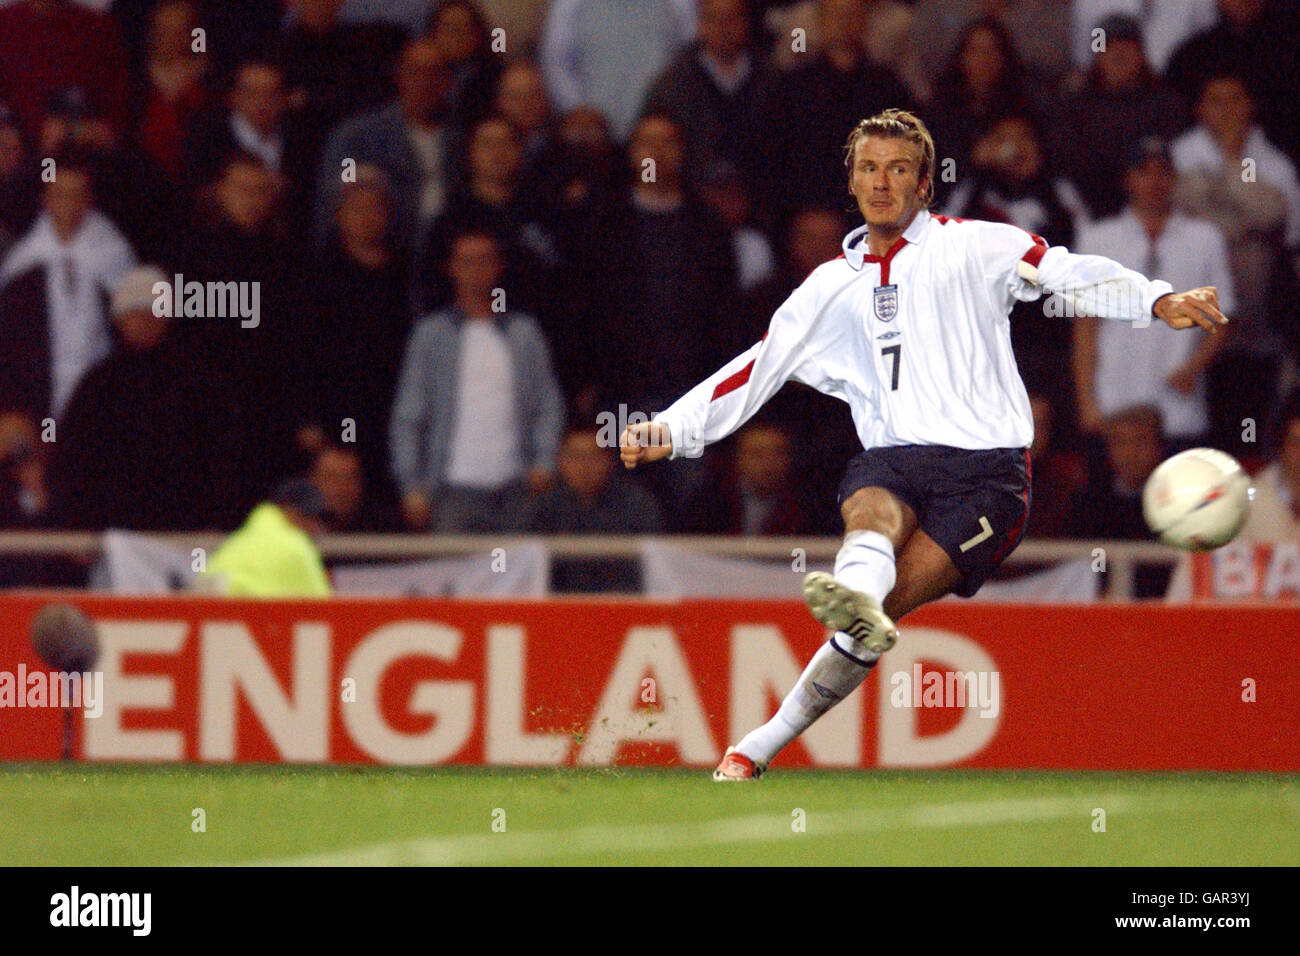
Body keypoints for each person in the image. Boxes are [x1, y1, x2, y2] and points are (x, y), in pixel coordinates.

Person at [618, 108, 1227, 780]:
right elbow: (758, 368)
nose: (882, 182)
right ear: (851, 181)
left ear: (925, 185)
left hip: (989, 479)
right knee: (869, 516)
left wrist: (1155, 299)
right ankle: (763, 736)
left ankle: (801, 687)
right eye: (869, 168)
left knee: (880, 607)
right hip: (895, 461)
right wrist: (673, 429)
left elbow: (1064, 272)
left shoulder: (976, 246)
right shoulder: (830, 287)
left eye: (898, 169)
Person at [204, 477, 333, 597]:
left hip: (205, 612)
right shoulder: (297, 547)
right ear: (289, 512)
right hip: (241, 615)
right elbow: (325, 608)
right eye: (309, 518)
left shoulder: (236, 542)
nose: (315, 528)